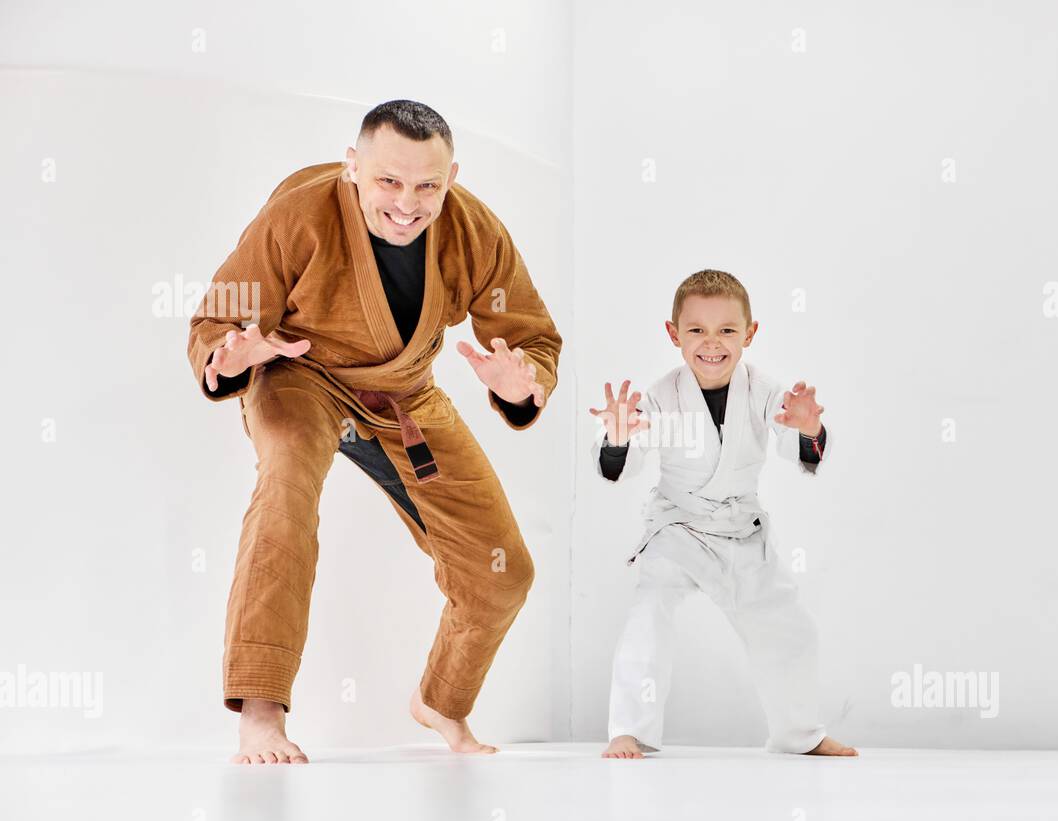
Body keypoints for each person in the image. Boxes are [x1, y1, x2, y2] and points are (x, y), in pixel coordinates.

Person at [186, 100, 562, 764]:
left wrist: (522, 382)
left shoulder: (474, 230)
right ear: (353, 166)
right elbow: (221, 319)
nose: (407, 204)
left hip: (403, 392)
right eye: (388, 181)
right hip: (299, 373)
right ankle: (261, 713)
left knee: (505, 569)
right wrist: (230, 355)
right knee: (286, 493)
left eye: (428, 185)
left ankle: (443, 700)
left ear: (452, 177)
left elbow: (529, 337)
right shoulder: (299, 215)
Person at [589, 269, 856, 759]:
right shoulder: (660, 396)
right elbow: (625, 461)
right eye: (696, 330)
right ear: (673, 335)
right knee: (649, 615)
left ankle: (800, 734)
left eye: (727, 330)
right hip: (677, 526)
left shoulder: (766, 392)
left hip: (740, 529)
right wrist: (619, 438)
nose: (712, 344)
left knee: (789, 628)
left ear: (750, 334)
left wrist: (808, 428)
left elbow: (796, 445)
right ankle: (629, 728)